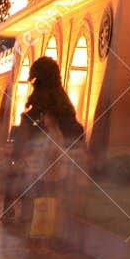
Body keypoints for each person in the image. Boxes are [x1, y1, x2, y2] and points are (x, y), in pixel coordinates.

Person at [19, 57, 85, 237]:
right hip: (53, 161)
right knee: (49, 198)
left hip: (48, 161)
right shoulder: (61, 99)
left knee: (43, 198)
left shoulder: (43, 101)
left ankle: (41, 232)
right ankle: (44, 232)